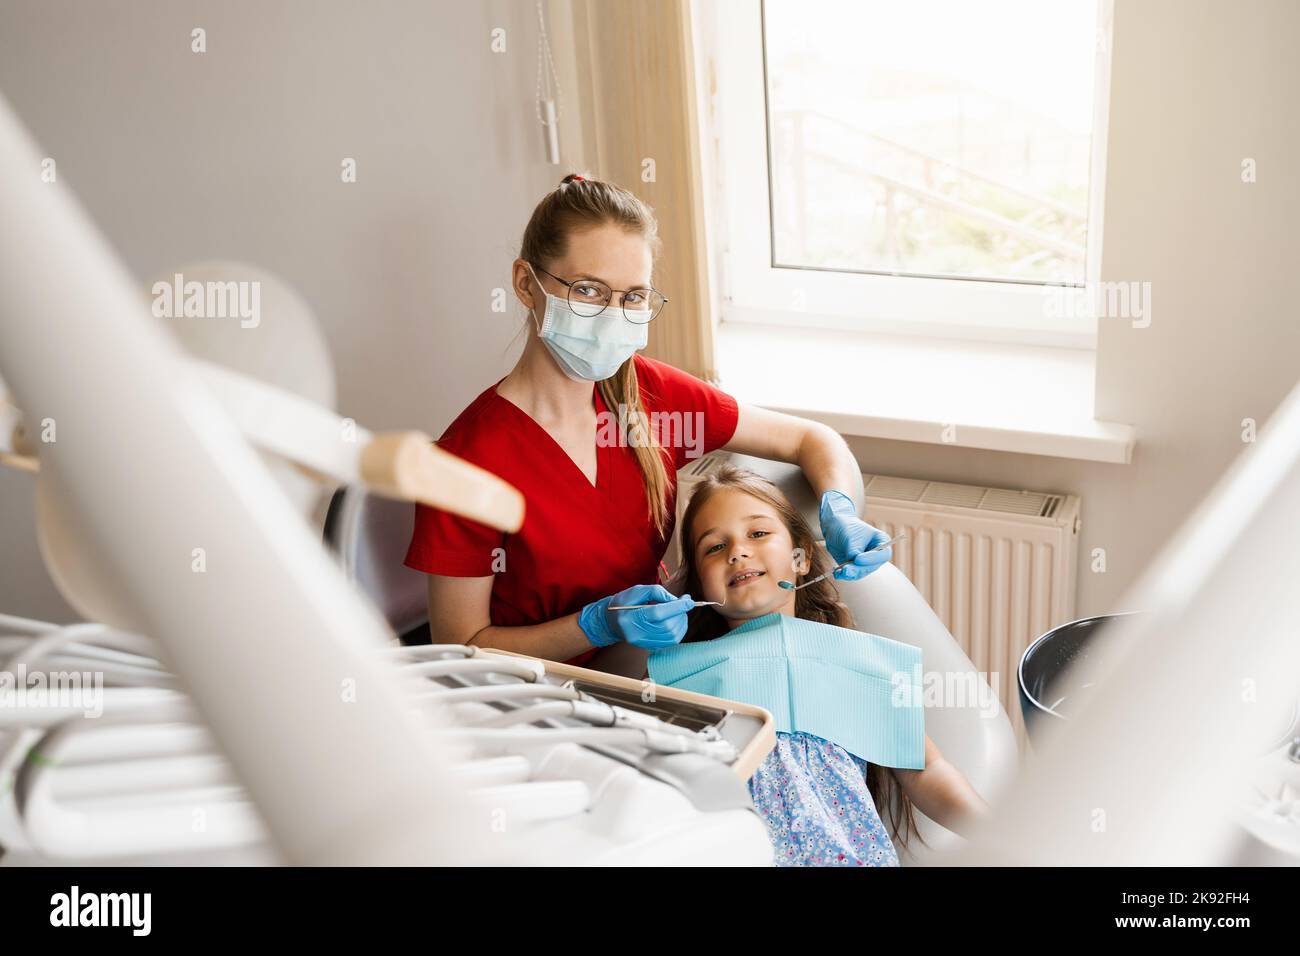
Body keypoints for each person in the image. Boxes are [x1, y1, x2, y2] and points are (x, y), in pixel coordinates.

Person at [405, 173, 893, 669]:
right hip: (542, 691)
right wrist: (592, 624)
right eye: (589, 290)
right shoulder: (468, 460)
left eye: (633, 297)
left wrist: (840, 507)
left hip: (651, 657)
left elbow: (812, 439)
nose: (614, 316)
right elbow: (463, 649)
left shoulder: (649, 396)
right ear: (526, 285)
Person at [664, 464, 990, 866]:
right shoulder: (676, 678)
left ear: (801, 558)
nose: (738, 551)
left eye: (759, 533)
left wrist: (1002, 834)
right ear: (698, 585)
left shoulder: (857, 661)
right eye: (714, 547)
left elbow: (926, 769)